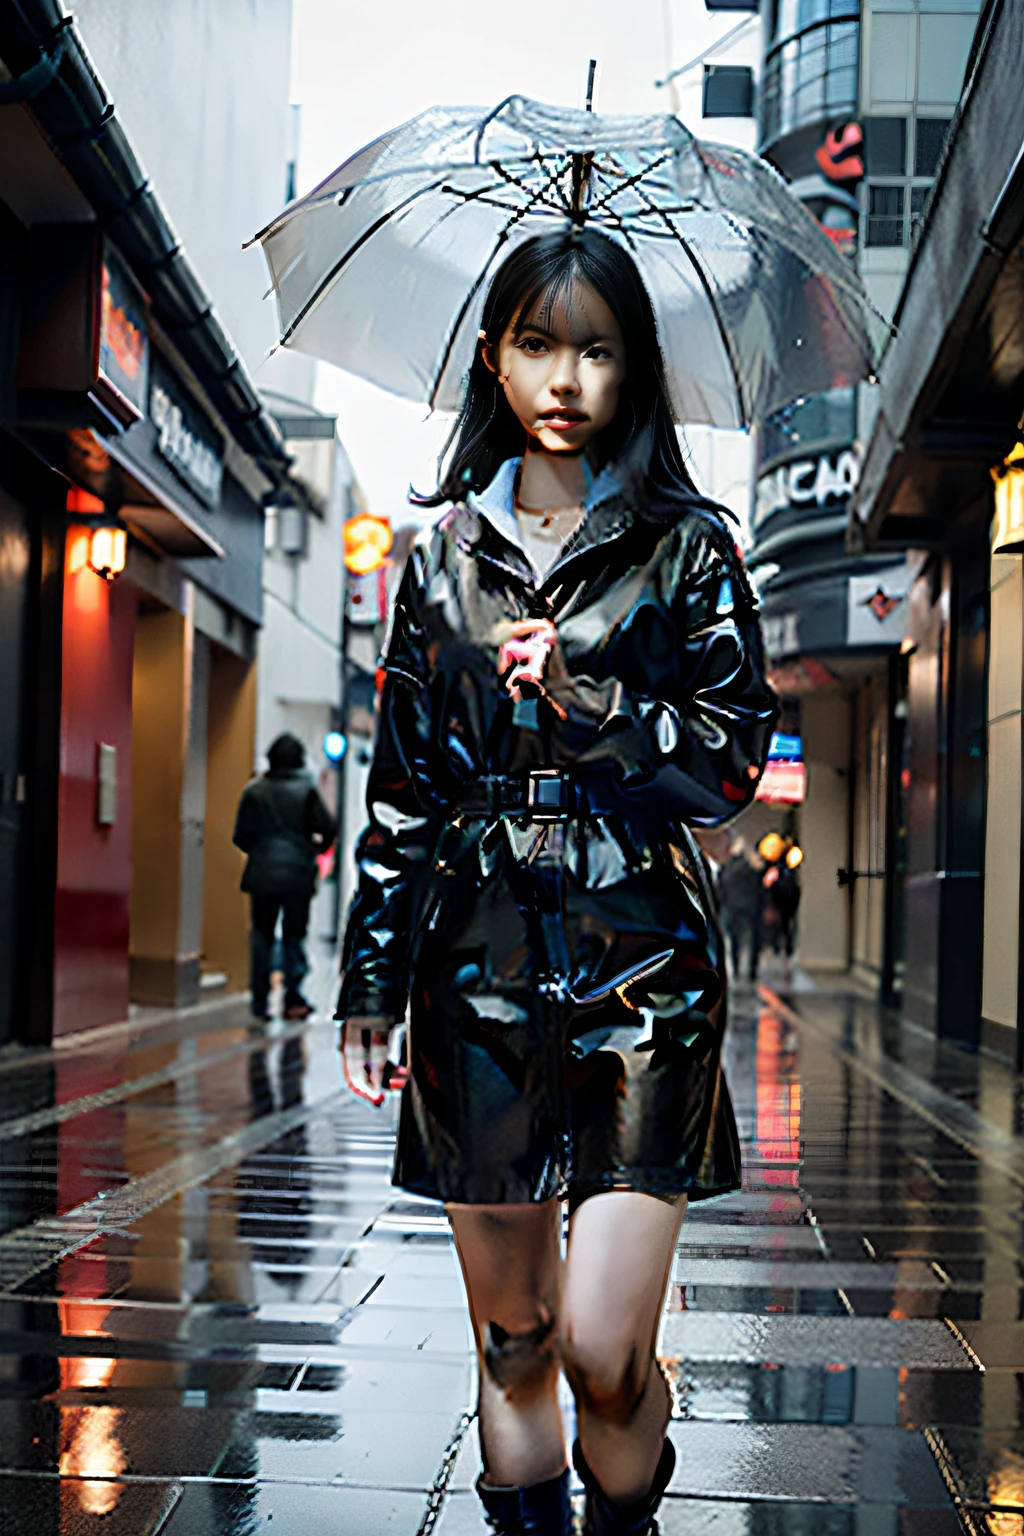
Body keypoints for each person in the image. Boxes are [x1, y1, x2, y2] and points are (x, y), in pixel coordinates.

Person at [338, 229, 776, 1536]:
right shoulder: (440, 559)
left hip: (646, 968)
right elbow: (403, 788)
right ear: (494, 356)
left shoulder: (688, 549)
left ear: (634, 368)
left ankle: (630, 1489)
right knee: (517, 1340)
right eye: (539, 343)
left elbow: (731, 762)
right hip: (474, 969)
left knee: (599, 1347)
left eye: (596, 346)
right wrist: (369, 982)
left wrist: (590, 705)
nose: (566, 375)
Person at [233, 733, 337, 1021]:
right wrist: (311, 849)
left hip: (262, 874)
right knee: (294, 935)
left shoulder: (254, 791)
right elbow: (328, 828)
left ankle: (259, 1000)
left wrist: (261, 851)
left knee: (261, 934)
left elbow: (240, 836)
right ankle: (293, 998)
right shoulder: (307, 791)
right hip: (298, 875)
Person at [717, 839, 765, 983]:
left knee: (735, 941)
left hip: (733, 908)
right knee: (753, 941)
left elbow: (721, 889)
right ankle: (751, 972)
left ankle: (737, 969)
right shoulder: (751, 868)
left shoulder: (727, 868)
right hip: (751, 907)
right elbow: (760, 886)